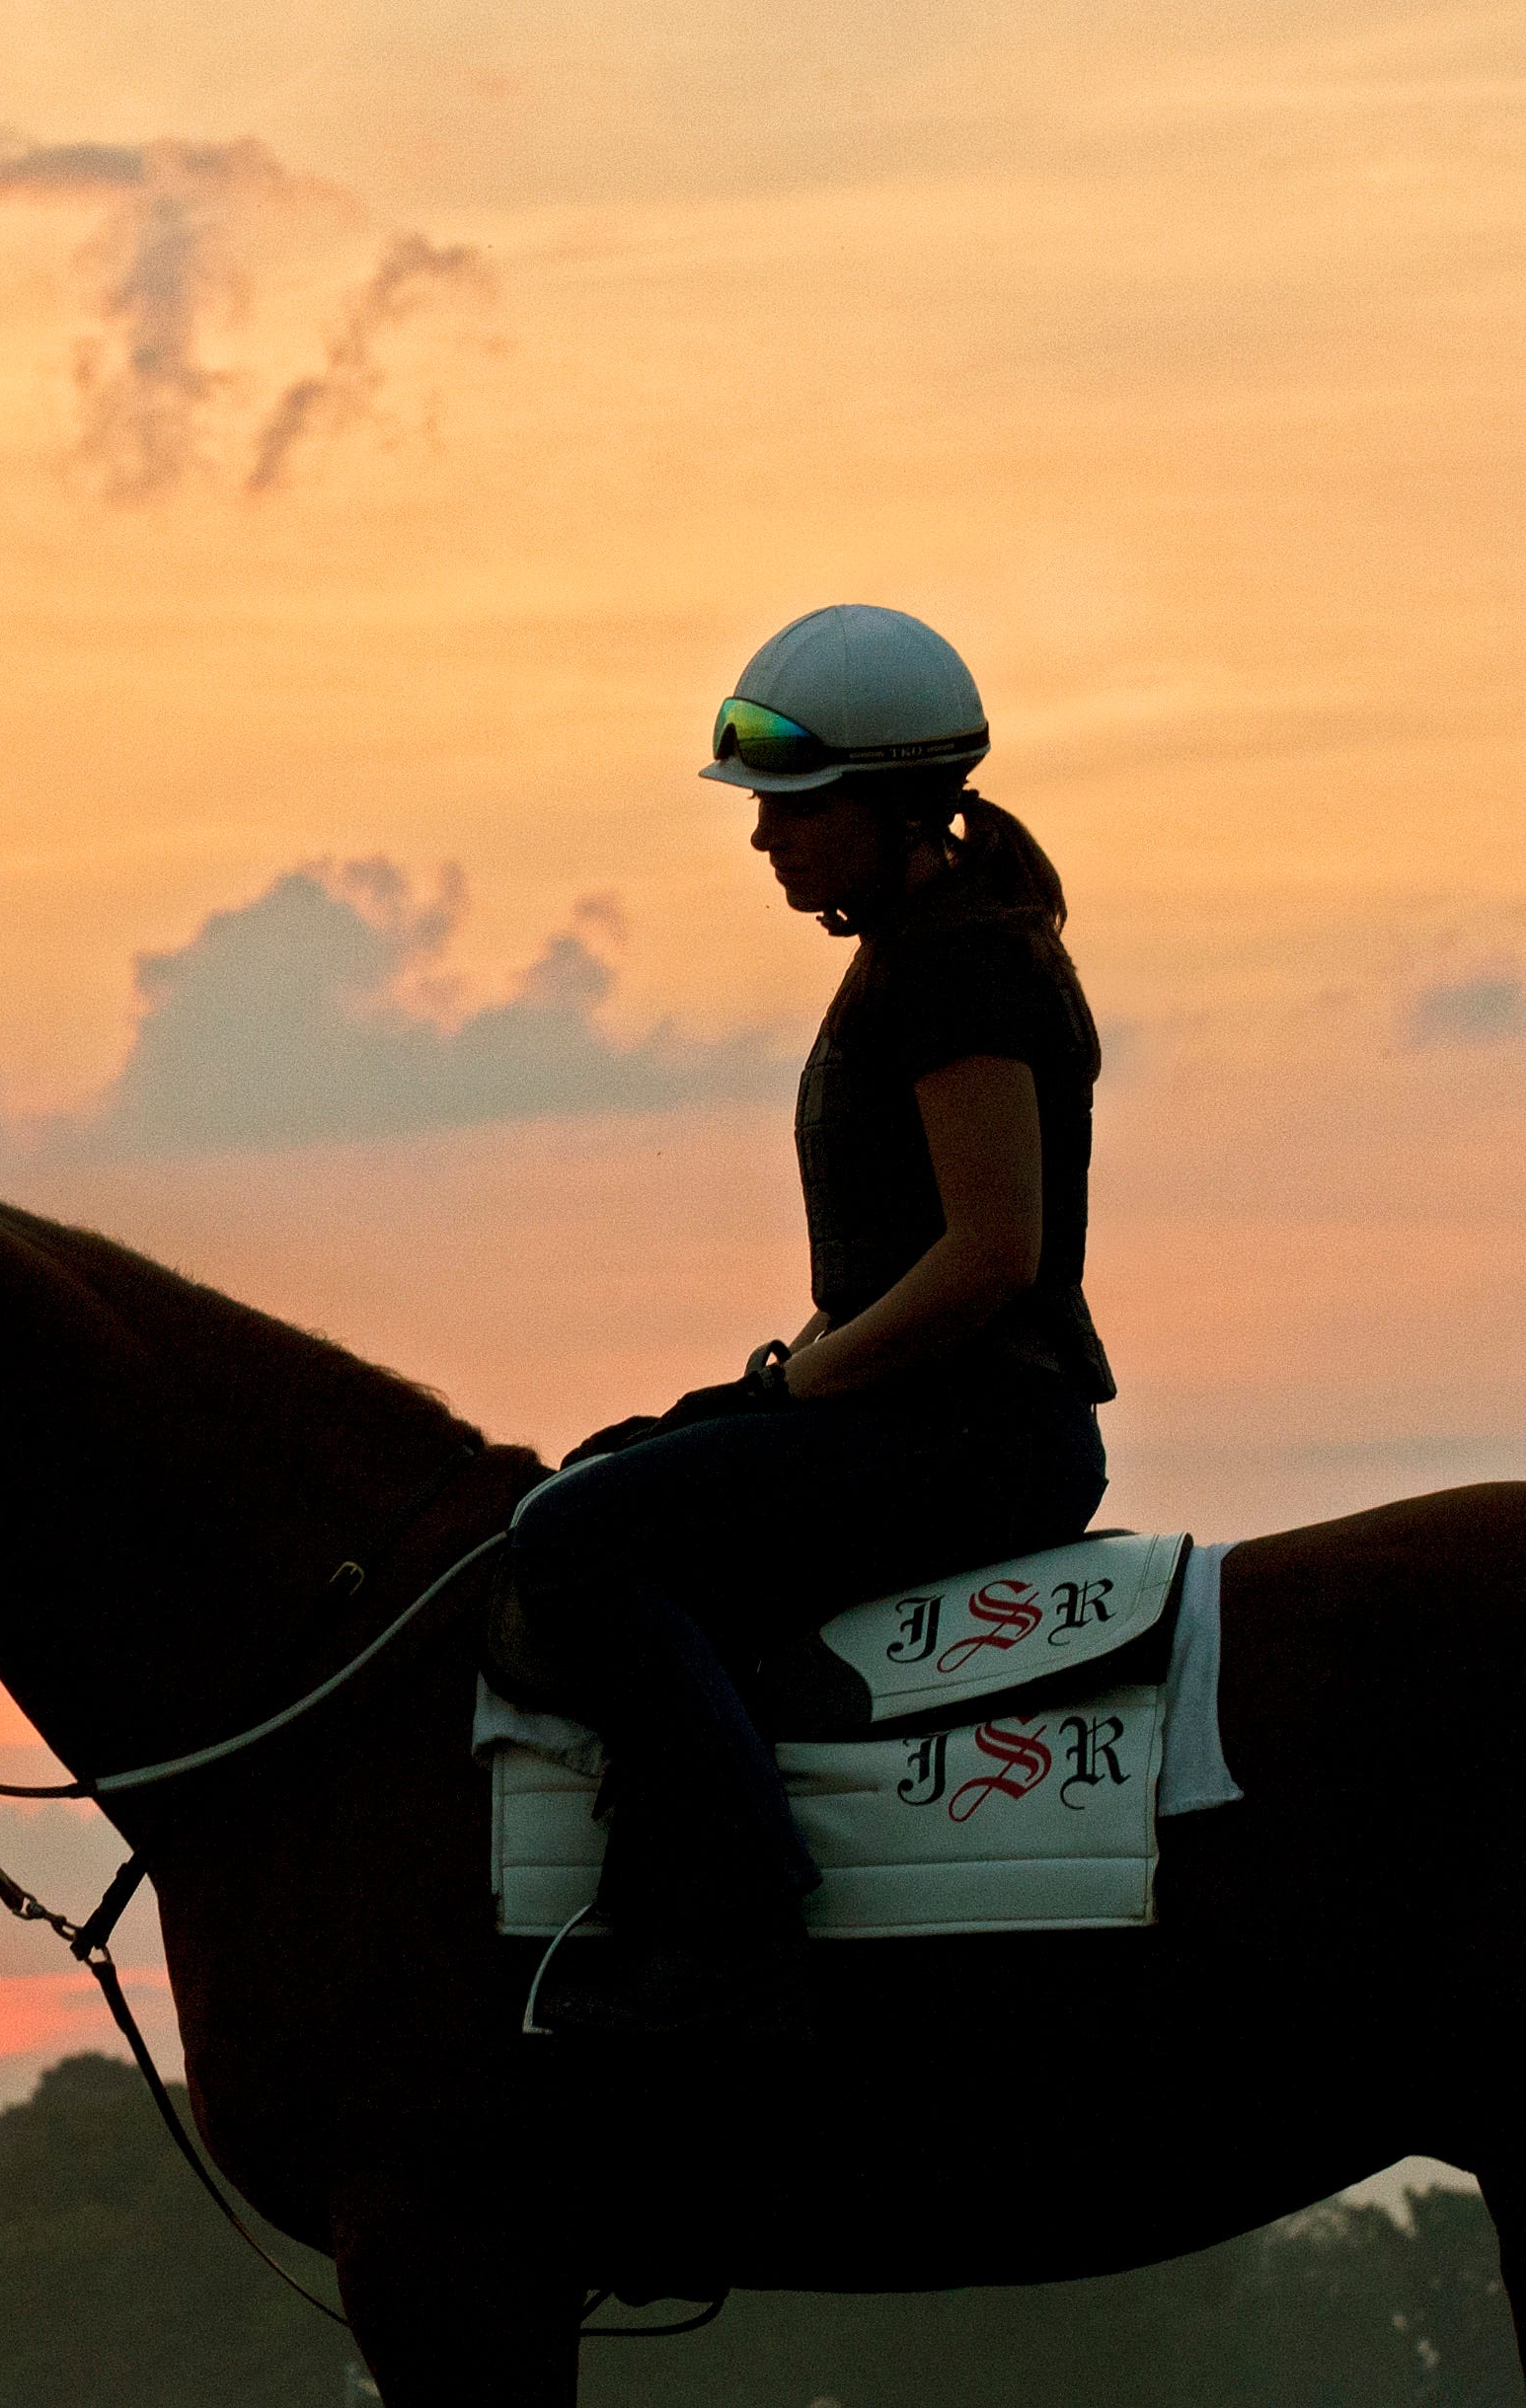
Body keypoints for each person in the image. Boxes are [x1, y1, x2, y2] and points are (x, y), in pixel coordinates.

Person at [516, 603, 1115, 2038]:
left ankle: (734, 1914)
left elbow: (990, 1256)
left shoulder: (958, 964)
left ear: (893, 802)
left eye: (792, 806)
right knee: (605, 1477)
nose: (763, 838)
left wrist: (795, 1386)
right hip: (923, 1412)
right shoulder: (926, 943)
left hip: (982, 1434)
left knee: (574, 1539)